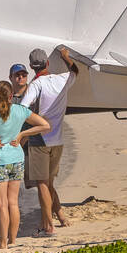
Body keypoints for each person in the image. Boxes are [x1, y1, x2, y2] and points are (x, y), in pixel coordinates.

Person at [0, 81, 49, 250]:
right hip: (16, 159)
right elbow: (45, 125)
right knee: (13, 203)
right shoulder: (20, 110)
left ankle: (2, 243)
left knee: (1, 204)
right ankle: (13, 240)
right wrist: (22, 133)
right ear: (11, 96)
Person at [20, 46, 80, 234]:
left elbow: (22, 109)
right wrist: (65, 57)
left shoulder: (36, 85)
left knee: (42, 184)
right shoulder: (62, 79)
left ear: (31, 67)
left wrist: (24, 131)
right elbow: (75, 71)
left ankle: (47, 224)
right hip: (58, 141)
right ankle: (61, 217)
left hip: (40, 141)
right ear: (47, 63)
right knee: (50, 183)